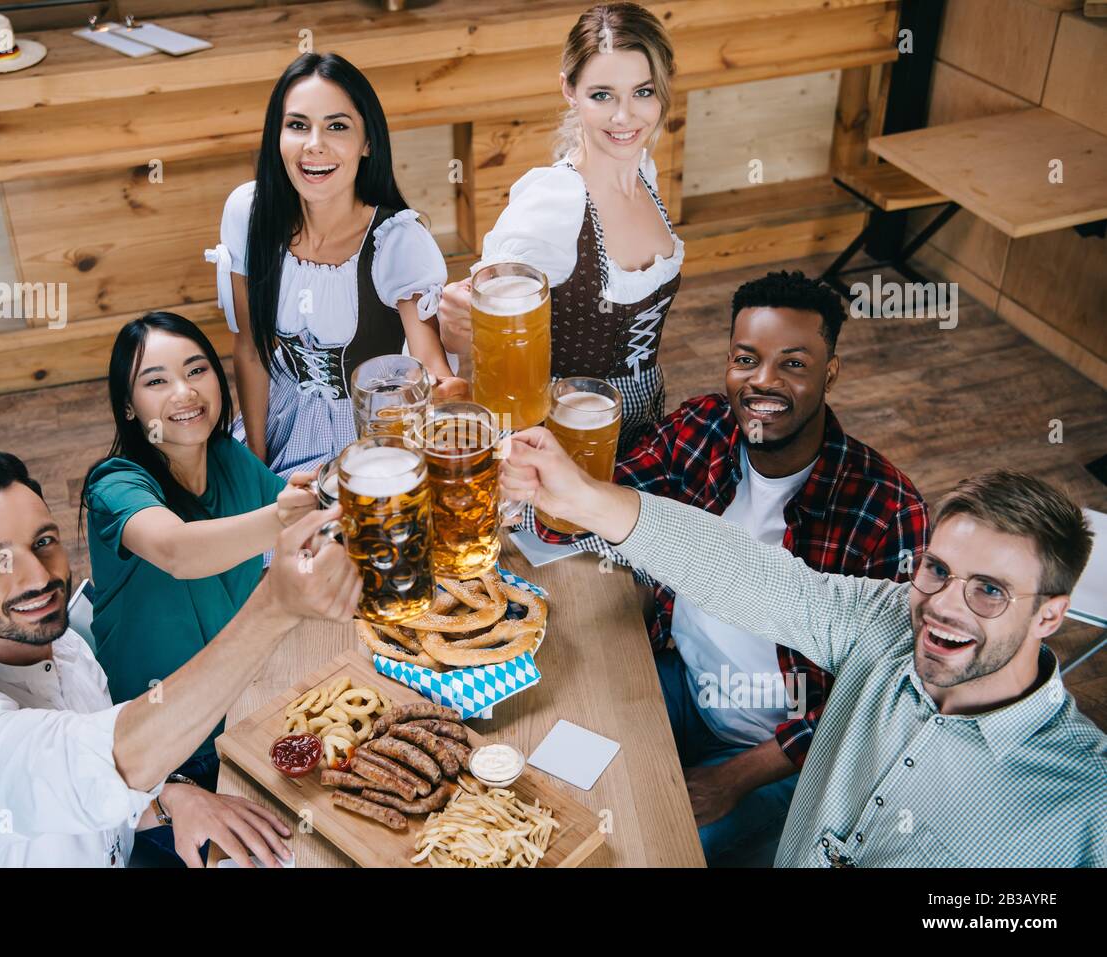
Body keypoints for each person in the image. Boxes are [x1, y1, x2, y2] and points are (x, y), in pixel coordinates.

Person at [503, 436, 1106, 866]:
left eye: (989, 592)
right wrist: (583, 498)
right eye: (938, 570)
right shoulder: (887, 620)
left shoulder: (1085, 800)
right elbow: (751, 575)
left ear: (1050, 614)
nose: (945, 605)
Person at [530, 270, 928, 865]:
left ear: (831, 373)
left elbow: (878, 707)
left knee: (648, 851)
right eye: (747, 358)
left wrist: (735, 779)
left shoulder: (889, 509)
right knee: (549, 770)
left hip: (782, 753)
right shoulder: (705, 427)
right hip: (688, 682)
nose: (762, 381)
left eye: (792, 364)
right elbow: (591, 507)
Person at [0, 452, 362, 867]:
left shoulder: (65, 646)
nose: (36, 576)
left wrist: (171, 797)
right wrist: (274, 606)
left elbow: (92, 780)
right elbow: (105, 760)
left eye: (43, 542)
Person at [81, 312, 317, 794]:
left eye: (196, 370)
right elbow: (177, 551)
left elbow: (301, 525)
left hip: (244, 714)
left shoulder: (229, 458)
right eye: (156, 381)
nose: (184, 392)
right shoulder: (114, 485)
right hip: (159, 755)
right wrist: (285, 516)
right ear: (128, 407)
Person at [436, 2, 682, 450]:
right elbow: (476, 330)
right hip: (565, 439)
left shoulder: (644, 170)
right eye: (602, 95)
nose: (625, 117)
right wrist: (455, 318)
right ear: (570, 90)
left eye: (643, 92)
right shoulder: (556, 201)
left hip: (642, 427)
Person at [207, 51, 464, 478]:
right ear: (277, 136)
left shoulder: (396, 241)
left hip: (371, 431)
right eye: (298, 125)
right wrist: (255, 459)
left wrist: (448, 392)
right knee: (241, 531)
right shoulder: (249, 213)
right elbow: (250, 349)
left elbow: (431, 367)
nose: (314, 145)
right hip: (278, 414)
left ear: (367, 143)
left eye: (337, 126)